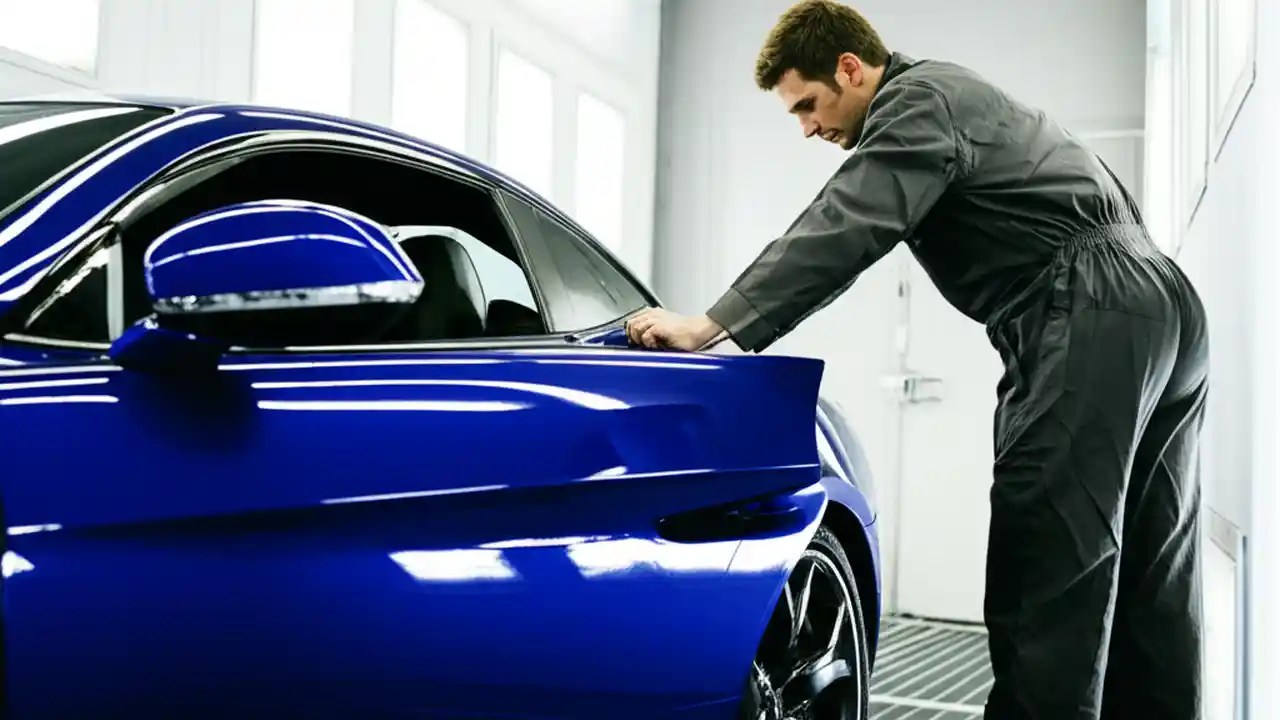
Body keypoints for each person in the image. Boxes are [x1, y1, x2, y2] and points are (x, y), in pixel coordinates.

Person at [625, 1, 1209, 718]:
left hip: (1091, 308)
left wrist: (713, 326)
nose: (807, 128)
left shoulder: (916, 101)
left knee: (1049, 561)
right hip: (1163, 307)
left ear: (851, 69)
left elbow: (845, 222)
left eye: (807, 105)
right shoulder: (958, 95)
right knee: (1155, 572)